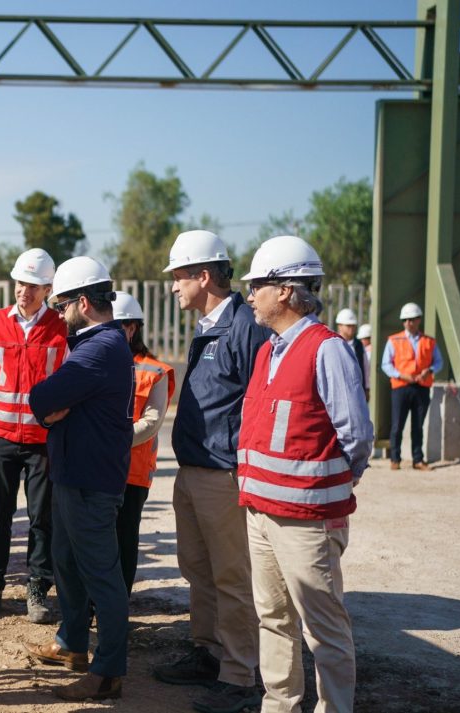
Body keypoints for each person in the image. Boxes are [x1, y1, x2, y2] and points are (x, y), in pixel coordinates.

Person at [239, 235, 373, 712]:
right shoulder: (267, 352)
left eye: (257, 285)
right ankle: (280, 705)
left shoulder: (327, 349)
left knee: (323, 627)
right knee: (273, 618)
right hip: (260, 512)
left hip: (308, 519)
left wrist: (327, 486)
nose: (249, 295)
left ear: (286, 291)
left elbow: (357, 436)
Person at [153, 230, 268, 713]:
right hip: (194, 471)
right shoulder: (208, 326)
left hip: (224, 475)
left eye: (179, 276)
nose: (173, 286)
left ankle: (240, 675)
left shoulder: (245, 326)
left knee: (231, 577)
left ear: (204, 276)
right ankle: (208, 651)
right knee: (198, 570)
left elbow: (258, 403)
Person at [22, 257, 134, 702]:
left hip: (90, 480)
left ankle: (108, 672)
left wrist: (49, 408)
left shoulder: (99, 348)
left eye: (61, 305)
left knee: (101, 575)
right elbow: (51, 406)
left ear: (83, 303)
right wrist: (52, 412)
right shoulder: (98, 344)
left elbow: (41, 397)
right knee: (66, 561)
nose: (58, 313)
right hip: (75, 474)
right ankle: (72, 643)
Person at [0, 248, 68, 625]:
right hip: (0, 435)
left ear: (48, 289)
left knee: (41, 518)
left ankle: (37, 590)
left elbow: (68, 377)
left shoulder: (61, 326)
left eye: (34, 286)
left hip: (43, 438)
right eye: (21, 284)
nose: (25, 291)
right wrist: (1, 409)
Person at [112, 292, 175, 596]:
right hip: (96, 470)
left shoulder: (153, 371)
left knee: (124, 541)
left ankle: (117, 604)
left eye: (115, 327)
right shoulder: (91, 361)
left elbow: (151, 422)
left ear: (132, 328)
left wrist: (107, 442)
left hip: (131, 473)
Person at [381, 302, 444, 471]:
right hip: (401, 386)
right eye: (405, 320)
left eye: (412, 319)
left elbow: (439, 362)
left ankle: (418, 459)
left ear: (418, 320)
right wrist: (401, 375)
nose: (408, 323)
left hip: (421, 387)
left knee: (418, 425)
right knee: (397, 425)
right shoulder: (394, 340)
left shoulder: (429, 341)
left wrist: (429, 370)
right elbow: (386, 364)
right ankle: (395, 459)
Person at [335, 308, 369, 400]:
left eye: (353, 325)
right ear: (340, 326)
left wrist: (366, 388)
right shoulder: (333, 343)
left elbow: (365, 366)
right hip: (338, 390)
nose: (351, 328)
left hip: (356, 390)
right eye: (348, 325)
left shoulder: (359, 345)